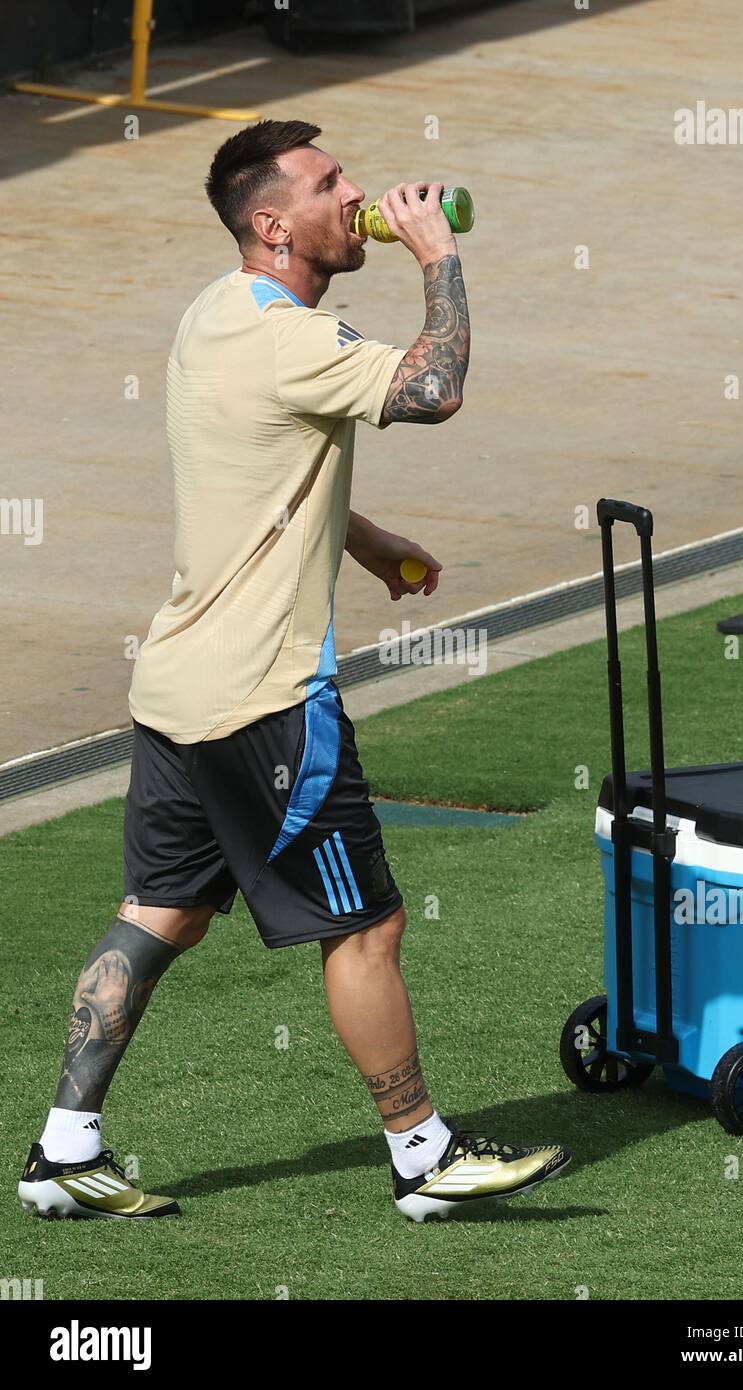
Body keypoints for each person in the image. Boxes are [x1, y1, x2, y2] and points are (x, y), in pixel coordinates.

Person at [18, 120, 570, 1225]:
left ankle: (63, 1151)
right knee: (364, 927)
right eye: (329, 184)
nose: (356, 194)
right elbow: (433, 388)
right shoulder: (295, 339)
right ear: (272, 224)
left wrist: (362, 540)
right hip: (266, 699)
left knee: (162, 911)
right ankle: (423, 1157)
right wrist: (438, 257)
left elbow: (262, 459)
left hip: (177, 689)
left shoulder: (215, 314)